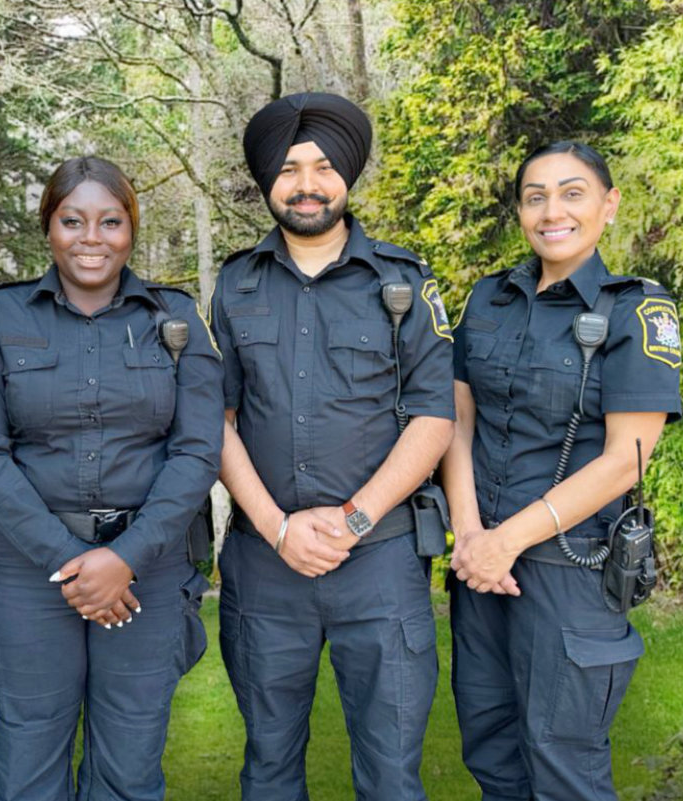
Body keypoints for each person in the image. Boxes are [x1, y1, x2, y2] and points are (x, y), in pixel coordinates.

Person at [210, 92, 456, 800]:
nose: (306, 184)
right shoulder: (235, 283)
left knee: (391, 774)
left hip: (379, 564)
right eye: (288, 169)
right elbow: (215, 419)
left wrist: (353, 520)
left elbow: (435, 416)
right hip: (265, 564)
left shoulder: (404, 281)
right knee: (268, 767)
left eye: (322, 167)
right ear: (268, 182)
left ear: (347, 174)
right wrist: (278, 528)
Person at [0, 156, 222, 801]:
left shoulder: (177, 319)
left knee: (129, 770)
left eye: (111, 221)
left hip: (146, 572)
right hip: (28, 571)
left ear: (132, 229)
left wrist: (124, 558)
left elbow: (196, 452)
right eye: (72, 221)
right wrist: (73, 564)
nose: (91, 238)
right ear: (49, 226)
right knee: (27, 771)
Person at [444, 141, 681, 801]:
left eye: (573, 193)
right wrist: (470, 534)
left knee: (565, 772)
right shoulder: (488, 299)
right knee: (492, 758)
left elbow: (624, 459)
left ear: (609, 205)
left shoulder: (636, 310)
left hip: (570, 576)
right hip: (480, 571)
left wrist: (505, 541)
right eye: (536, 196)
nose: (553, 212)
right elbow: (457, 422)